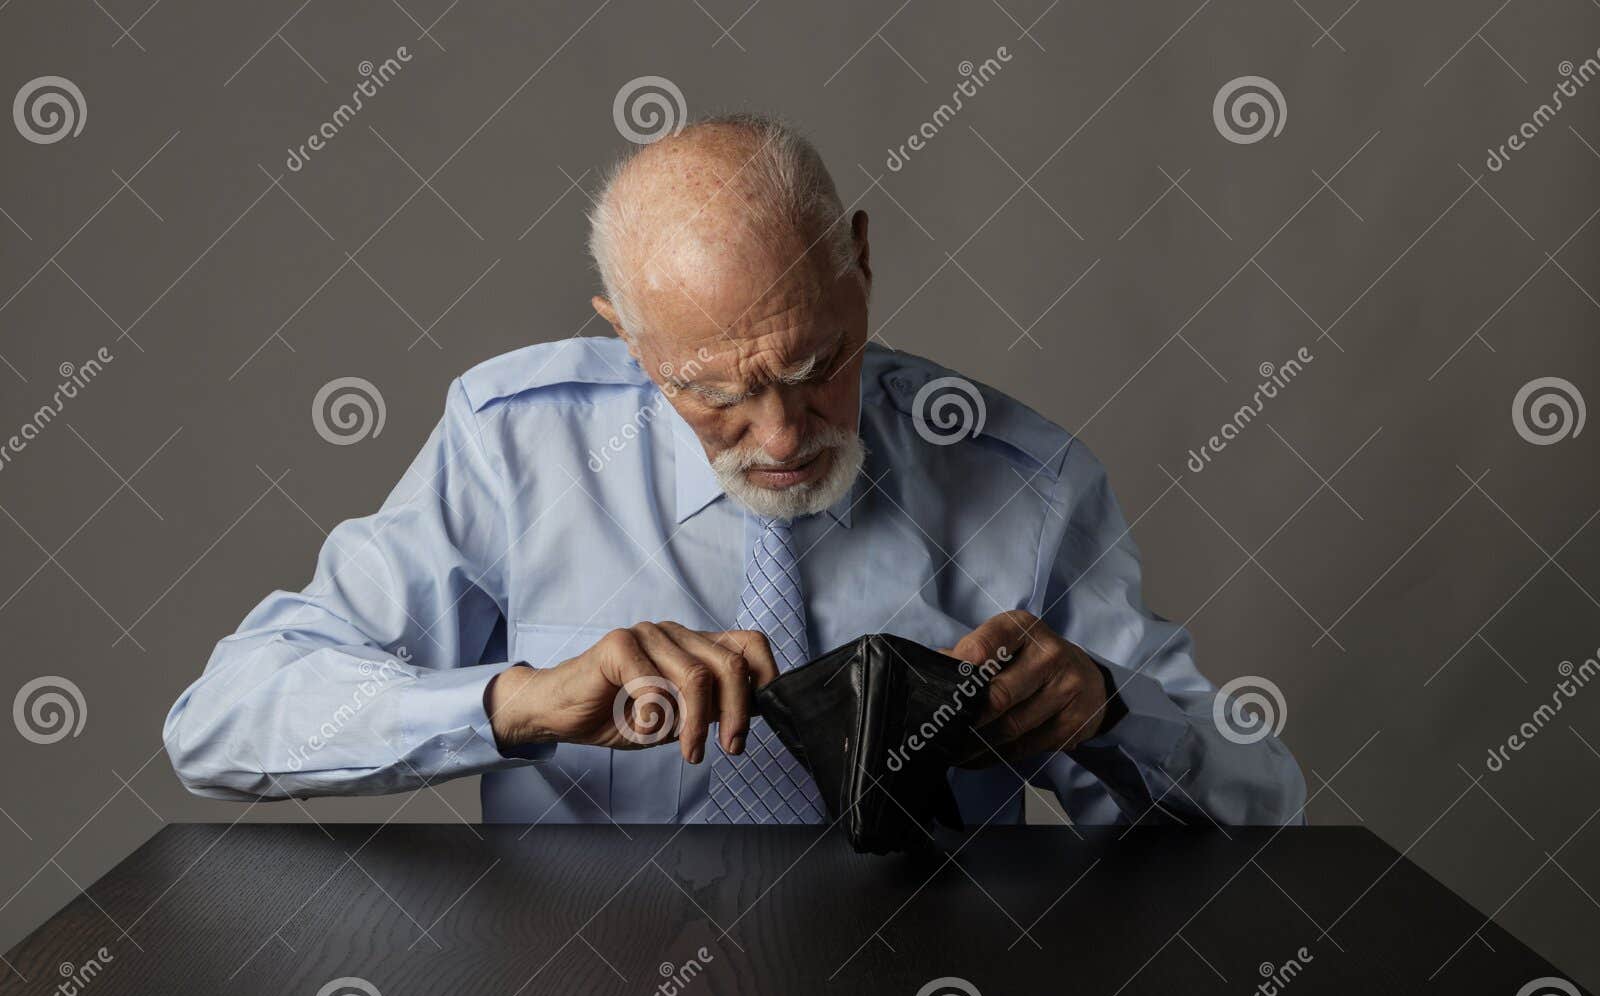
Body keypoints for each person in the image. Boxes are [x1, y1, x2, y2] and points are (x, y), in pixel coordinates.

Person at [164, 114, 1305, 827]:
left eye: (819, 365)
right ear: (626, 336)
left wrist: (1108, 710)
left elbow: (1261, 800)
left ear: (863, 264)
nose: (780, 435)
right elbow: (221, 720)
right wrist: (519, 701)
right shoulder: (516, 446)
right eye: (711, 390)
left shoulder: (1024, 481)